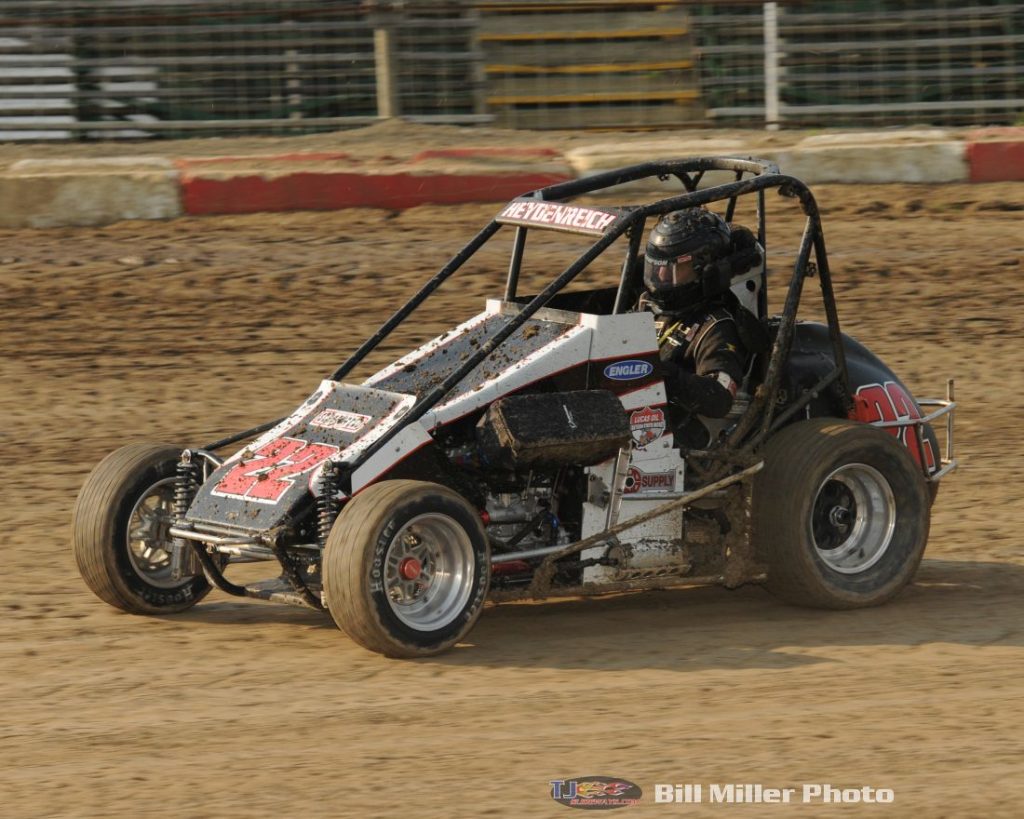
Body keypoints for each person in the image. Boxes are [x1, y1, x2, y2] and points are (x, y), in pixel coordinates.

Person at [638, 207, 764, 447]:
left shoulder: (717, 326)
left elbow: (719, 397)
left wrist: (661, 374)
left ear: (702, 270)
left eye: (673, 269)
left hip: (685, 428)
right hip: (641, 408)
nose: (661, 276)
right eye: (656, 267)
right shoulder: (647, 303)